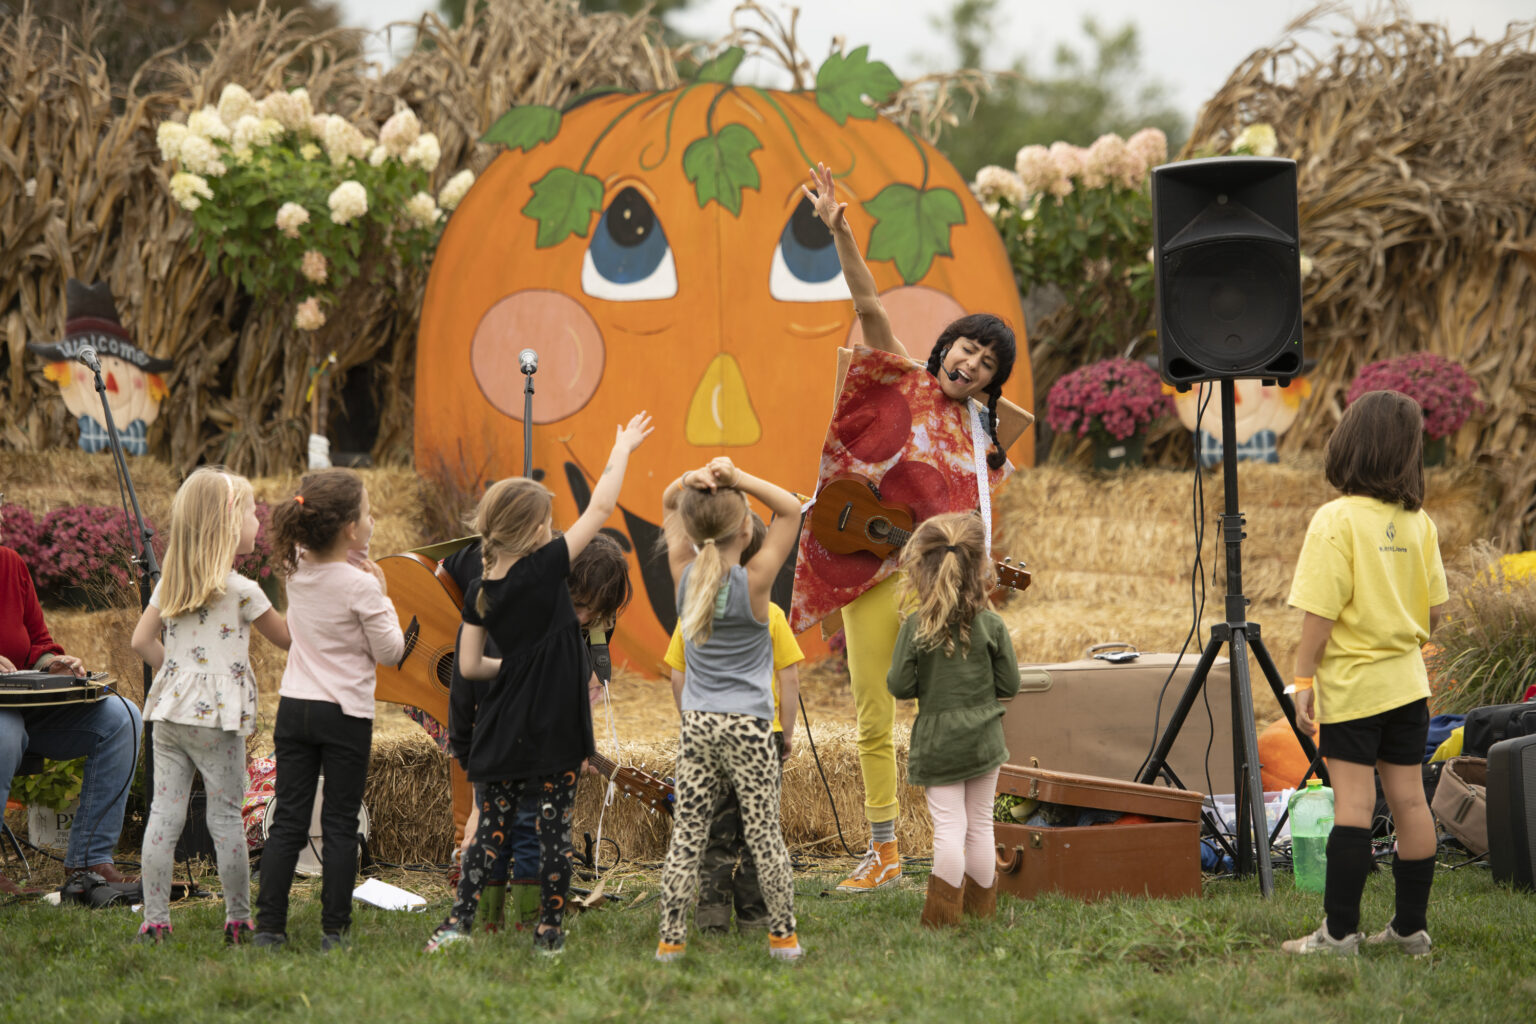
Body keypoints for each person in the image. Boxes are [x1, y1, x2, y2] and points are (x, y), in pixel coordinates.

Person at [804, 161, 1019, 893]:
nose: (971, 362)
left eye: (986, 362)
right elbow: (867, 302)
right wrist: (840, 232)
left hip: (933, 586)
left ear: (991, 382)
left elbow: (975, 531)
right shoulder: (900, 379)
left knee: (948, 709)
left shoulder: (983, 443)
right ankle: (884, 849)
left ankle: (956, 843)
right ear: (946, 345)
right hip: (869, 572)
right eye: (967, 347)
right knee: (873, 710)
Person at [426, 411, 652, 956]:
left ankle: (458, 924)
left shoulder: (481, 590)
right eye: (548, 524)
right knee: (551, 836)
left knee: (490, 830)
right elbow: (601, 509)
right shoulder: (548, 568)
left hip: (500, 733)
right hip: (554, 739)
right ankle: (548, 932)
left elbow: (470, 667)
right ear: (534, 534)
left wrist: (513, 669)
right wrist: (622, 447)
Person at [1281, 389, 1448, 956]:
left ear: (1350, 443)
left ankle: (1338, 935)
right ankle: (1410, 930)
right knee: (1410, 803)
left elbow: (1320, 617)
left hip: (1354, 689)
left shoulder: (1335, 520)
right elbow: (1435, 614)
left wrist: (1304, 680)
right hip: (1408, 687)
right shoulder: (1419, 522)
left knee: (1353, 807)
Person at [129, 469, 291, 943]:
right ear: (228, 522)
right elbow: (289, 639)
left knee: (164, 816)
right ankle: (238, 919)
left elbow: (141, 641)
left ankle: (155, 921)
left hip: (169, 716)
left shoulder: (170, 585)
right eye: (251, 512)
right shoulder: (243, 591)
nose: (258, 522)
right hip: (217, 722)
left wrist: (180, 678)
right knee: (224, 818)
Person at [655, 457, 804, 963]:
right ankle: (782, 939)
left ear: (693, 532)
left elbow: (669, 502)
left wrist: (689, 479)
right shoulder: (756, 582)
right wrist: (737, 478)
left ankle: (671, 941)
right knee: (764, 835)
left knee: (688, 836)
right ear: (746, 530)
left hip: (698, 724)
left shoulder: (684, 577)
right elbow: (791, 510)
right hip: (750, 726)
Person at [444, 532, 634, 931]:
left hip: (530, 750)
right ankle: (483, 900)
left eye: (594, 612)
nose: (583, 618)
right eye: (578, 606)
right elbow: (467, 691)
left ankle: (521, 920)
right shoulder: (495, 598)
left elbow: (575, 693)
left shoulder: (583, 628)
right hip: (493, 740)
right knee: (493, 830)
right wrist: (467, 759)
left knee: (530, 835)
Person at [253, 469, 404, 952]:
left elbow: (322, 548)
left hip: (295, 708)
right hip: (345, 715)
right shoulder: (363, 587)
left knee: (288, 822)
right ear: (349, 529)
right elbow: (391, 651)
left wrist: (355, 549)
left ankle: (269, 929)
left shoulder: (296, 568)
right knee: (340, 824)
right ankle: (334, 933)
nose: (373, 519)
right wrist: (383, 592)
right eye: (367, 514)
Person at [886, 512, 1021, 927]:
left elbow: (899, 686)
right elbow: (1010, 684)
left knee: (949, 829)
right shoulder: (991, 624)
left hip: (939, 743)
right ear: (979, 566)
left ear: (921, 568)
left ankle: (943, 919)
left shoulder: (915, 627)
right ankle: (982, 914)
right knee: (980, 825)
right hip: (984, 740)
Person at [1, 499, 141, 895]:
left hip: (26, 707)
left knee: (123, 717)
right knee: (5, 731)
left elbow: (37, 643)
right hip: (5, 721)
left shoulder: (10, 564)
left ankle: (89, 861)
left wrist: (52, 663)